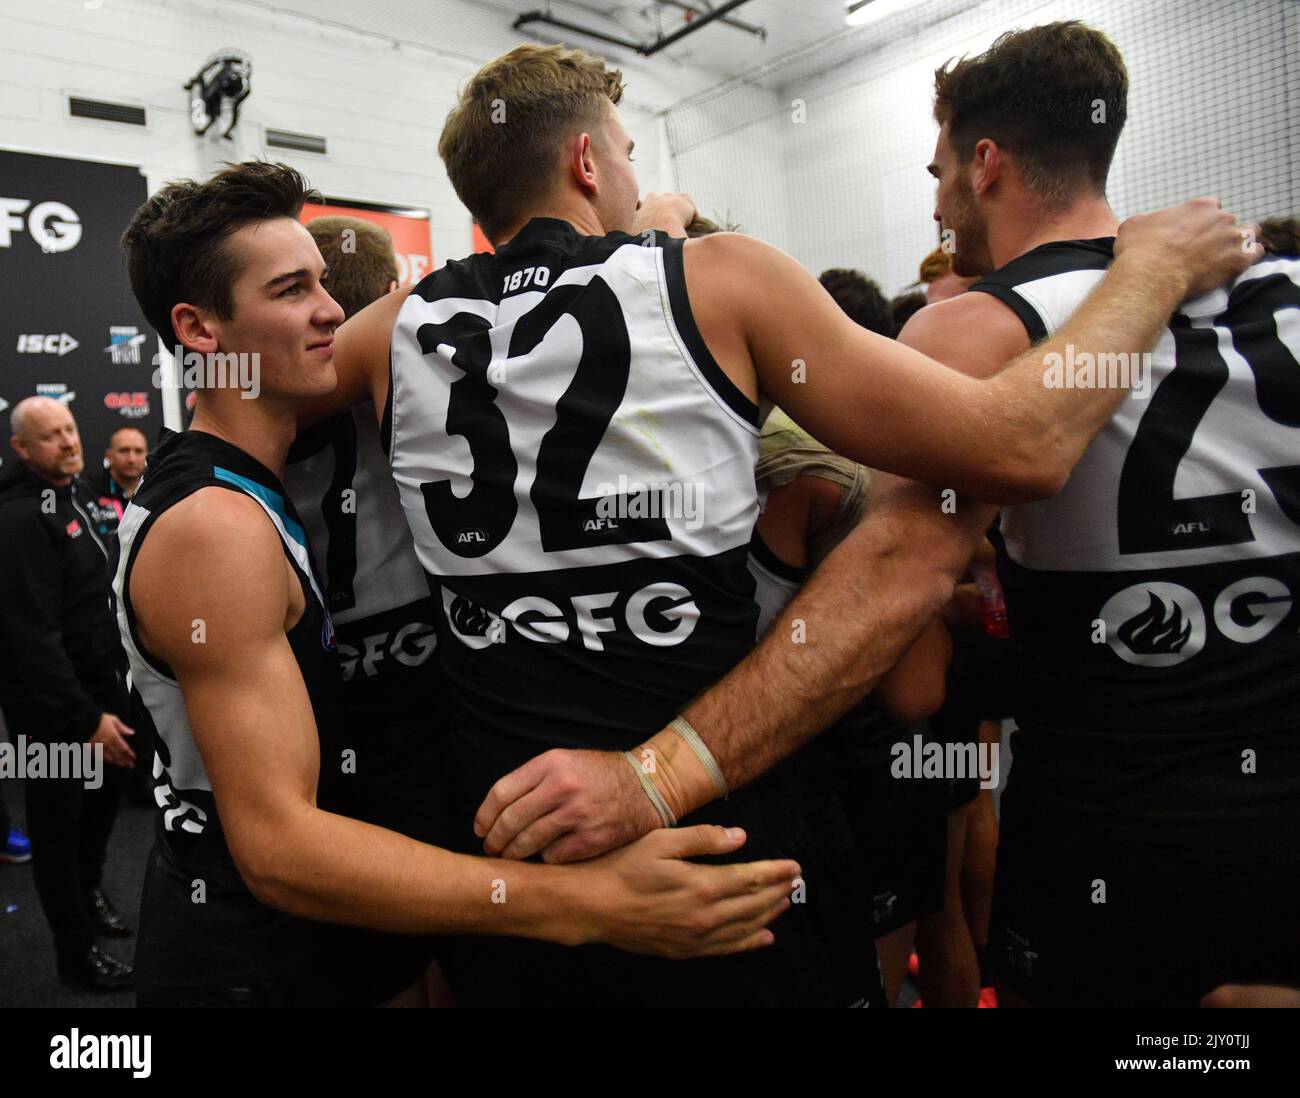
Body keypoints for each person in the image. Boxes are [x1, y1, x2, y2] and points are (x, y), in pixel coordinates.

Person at [311, 42, 1257, 1004]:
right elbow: (1020, 446)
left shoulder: (392, 328)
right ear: (590, 165)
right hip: (719, 825)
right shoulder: (722, 281)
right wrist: (1151, 268)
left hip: (519, 839)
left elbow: (262, 401)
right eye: (630, 154)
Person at [115, 161, 799, 1008]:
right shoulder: (213, 525)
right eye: (292, 290)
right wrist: (590, 904)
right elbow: (279, 848)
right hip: (247, 956)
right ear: (200, 330)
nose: (333, 310)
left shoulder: (251, 480)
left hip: (336, 937)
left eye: (326, 284)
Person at [900, 20, 1298, 1006]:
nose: (940, 193)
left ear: (985, 164)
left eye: (940, 166)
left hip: (1104, 828)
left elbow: (896, 577)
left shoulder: (967, 325)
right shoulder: (1286, 292)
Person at [282, 214, 454, 1002]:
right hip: (436, 679)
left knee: (374, 931)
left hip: (328, 692)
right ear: (388, 294)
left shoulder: (265, 400)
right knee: (466, 916)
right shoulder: (424, 365)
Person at [0, 396, 137, 990]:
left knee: (98, 812)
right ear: (22, 449)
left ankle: (89, 899)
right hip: (60, 715)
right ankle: (75, 955)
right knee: (58, 828)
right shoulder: (19, 519)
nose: (67, 441)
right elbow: (30, 639)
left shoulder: (70, 497)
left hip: (102, 696)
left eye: (70, 429)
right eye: (50, 436)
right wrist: (85, 721)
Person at [92, 427, 148, 520]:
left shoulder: (157, 492)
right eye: (124, 451)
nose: (131, 459)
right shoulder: (89, 492)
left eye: (138, 451)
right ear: (109, 456)